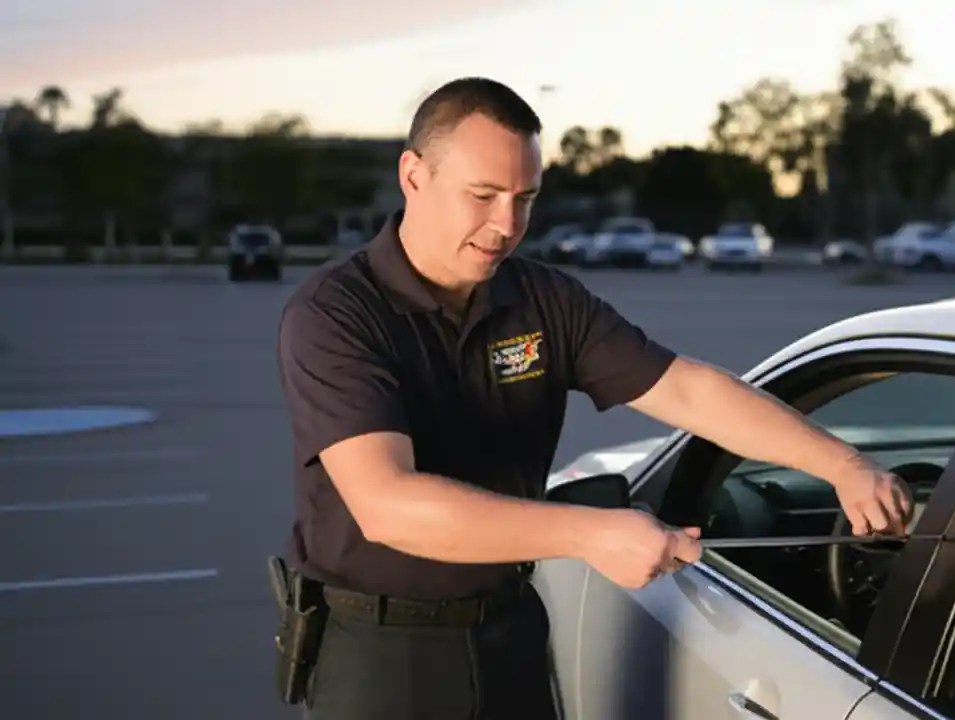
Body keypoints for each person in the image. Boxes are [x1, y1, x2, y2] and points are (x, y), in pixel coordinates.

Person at [274, 76, 911, 720]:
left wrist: (842, 464)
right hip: (383, 653)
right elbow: (388, 506)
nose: (506, 225)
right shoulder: (337, 314)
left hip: (510, 633)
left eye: (525, 198)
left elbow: (686, 389)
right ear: (414, 175)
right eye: (483, 195)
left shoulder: (543, 299)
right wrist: (590, 535)